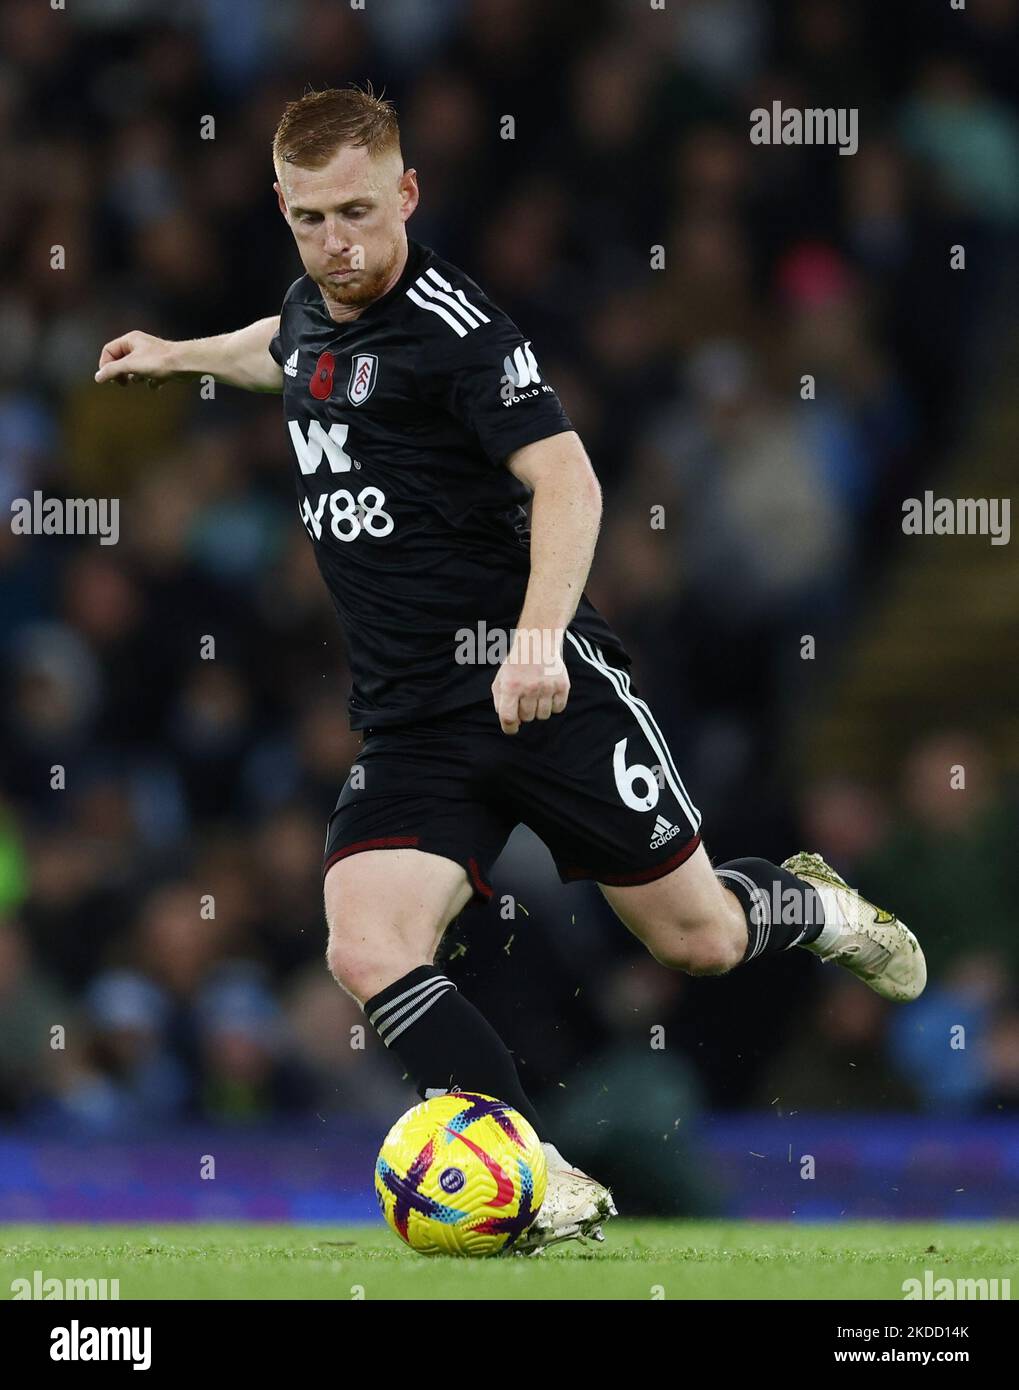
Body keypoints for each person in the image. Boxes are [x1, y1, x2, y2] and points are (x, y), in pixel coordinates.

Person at [95, 85, 926, 1252]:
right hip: (413, 724)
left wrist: (534, 639)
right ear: (283, 209)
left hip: (547, 692)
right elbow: (278, 347)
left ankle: (811, 901)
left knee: (698, 939)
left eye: (359, 213)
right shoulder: (309, 304)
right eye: (311, 219)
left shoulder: (457, 329)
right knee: (364, 944)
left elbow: (571, 481)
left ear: (408, 194)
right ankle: (533, 1177)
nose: (338, 244)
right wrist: (179, 353)